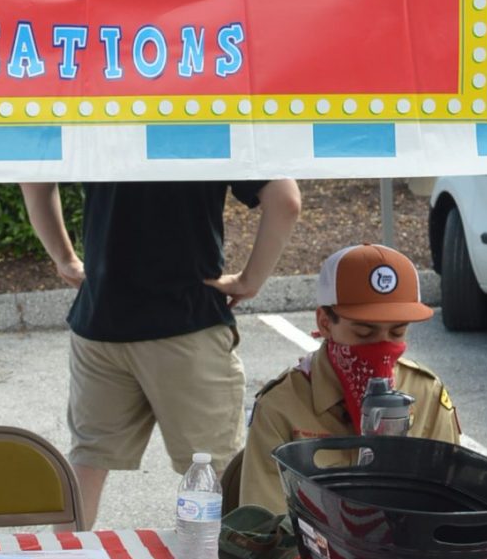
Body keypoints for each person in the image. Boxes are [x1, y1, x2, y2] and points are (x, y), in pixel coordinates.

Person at [22, 175, 302, 526]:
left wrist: (63, 257)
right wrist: (250, 280)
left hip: (100, 321)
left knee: (87, 462)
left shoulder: (92, 119)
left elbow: (34, 176)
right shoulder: (214, 122)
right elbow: (286, 200)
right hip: (187, 323)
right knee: (213, 473)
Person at [232, 241, 460, 518]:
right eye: (364, 333)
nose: (382, 347)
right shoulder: (282, 405)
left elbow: (451, 504)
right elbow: (264, 524)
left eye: (397, 333)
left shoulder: (426, 394)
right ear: (325, 323)